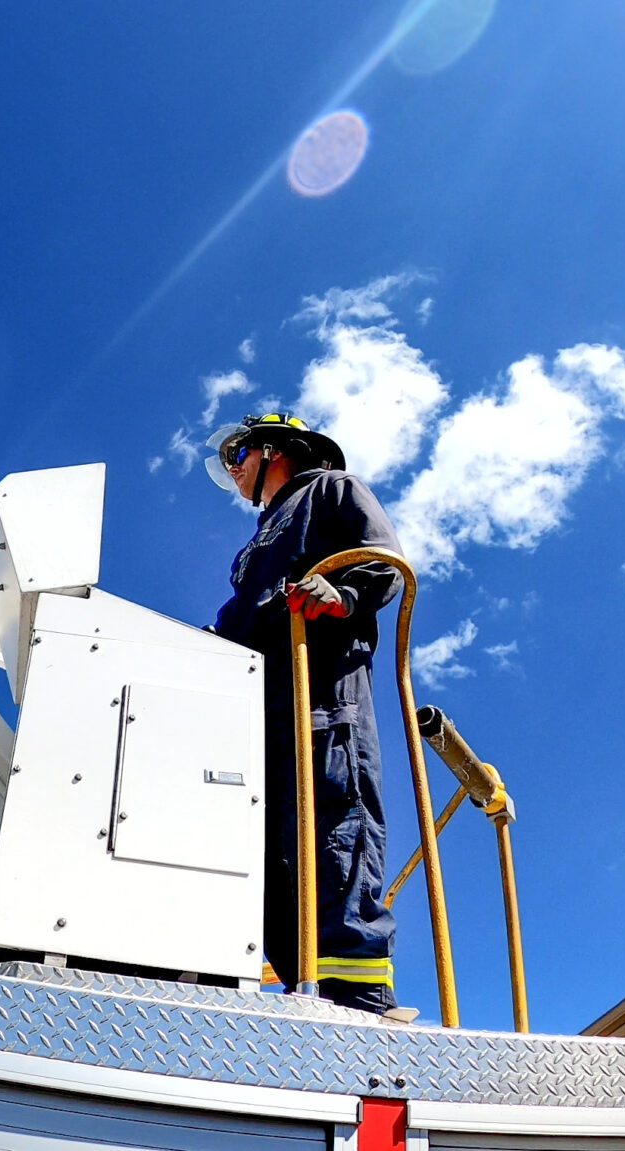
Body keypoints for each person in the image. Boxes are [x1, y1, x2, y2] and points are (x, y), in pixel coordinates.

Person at [207, 413, 404, 1015]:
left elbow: (382, 562)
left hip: (321, 695)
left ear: (273, 450)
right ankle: (303, 991)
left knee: (335, 827)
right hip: (260, 712)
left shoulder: (331, 491)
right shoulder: (254, 548)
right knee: (268, 856)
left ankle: (357, 998)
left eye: (238, 454)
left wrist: (340, 596)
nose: (234, 469)